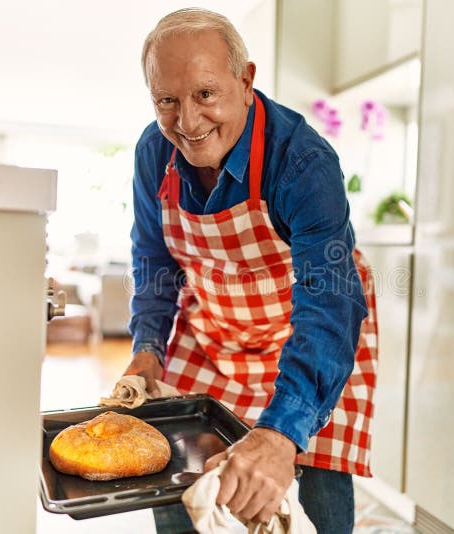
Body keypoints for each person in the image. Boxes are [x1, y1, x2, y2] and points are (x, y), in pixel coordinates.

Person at [125, 8, 378, 533]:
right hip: (214, 330)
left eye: (206, 95)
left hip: (310, 331)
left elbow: (326, 301)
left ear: (246, 81)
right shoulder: (154, 153)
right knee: (177, 478)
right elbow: (153, 258)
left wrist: (282, 436)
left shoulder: (302, 162)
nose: (187, 124)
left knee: (319, 488)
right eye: (166, 101)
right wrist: (147, 348)